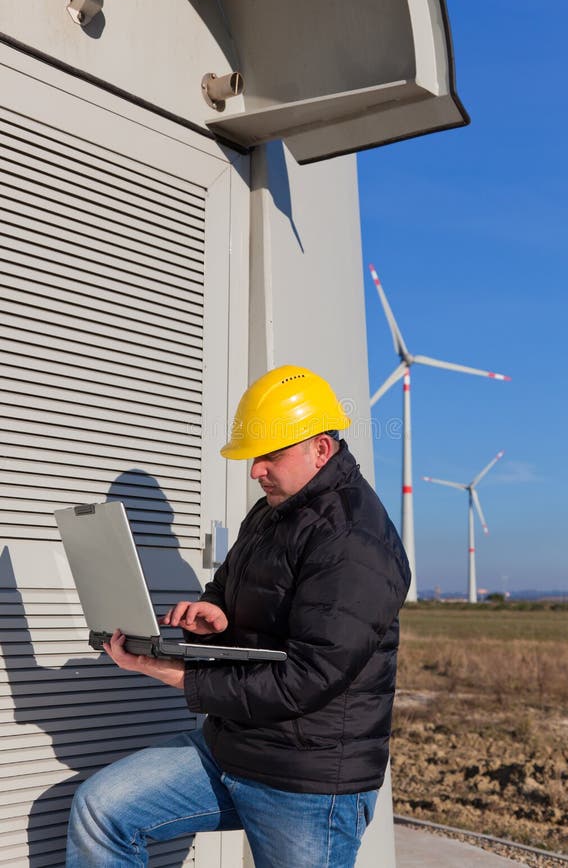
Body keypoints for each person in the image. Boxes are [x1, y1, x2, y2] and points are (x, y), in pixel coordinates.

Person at [66, 365, 411, 868]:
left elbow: (308, 678)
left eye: (270, 455)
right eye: (254, 457)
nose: (255, 470)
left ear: (321, 448)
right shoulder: (271, 511)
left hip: (306, 778)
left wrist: (172, 673)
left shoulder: (354, 541)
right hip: (233, 746)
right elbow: (225, 590)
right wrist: (215, 614)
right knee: (102, 811)